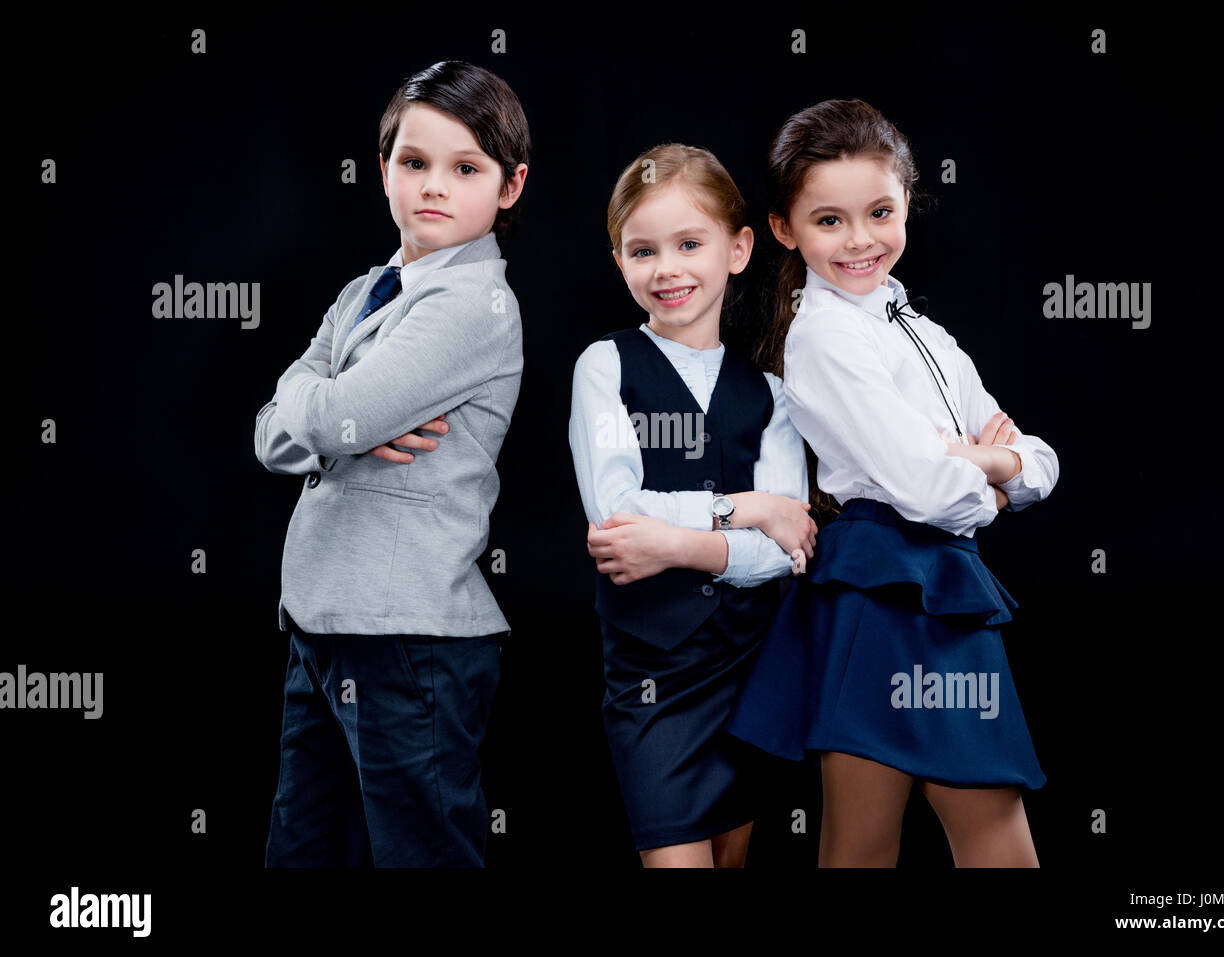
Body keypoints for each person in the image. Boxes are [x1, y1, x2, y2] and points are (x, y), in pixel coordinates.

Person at [725, 98, 1059, 867]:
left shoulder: (925, 330)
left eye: (880, 211)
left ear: (908, 199)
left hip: (947, 584)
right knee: (862, 844)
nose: (861, 239)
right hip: (878, 586)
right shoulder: (821, 336)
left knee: (984, 835)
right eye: (829, 220)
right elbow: (929, 490)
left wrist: (994, 462)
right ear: (784, 228)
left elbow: (1042, 461)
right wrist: (986, 476)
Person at [254, 60, 529, 867]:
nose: (434, 187)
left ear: (509, 187)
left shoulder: (475, 304)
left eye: (465, 168)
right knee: (301, 849)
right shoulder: (363, 291)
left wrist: (339, 409)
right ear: (383, 171)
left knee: (421, 855)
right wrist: (340, 414)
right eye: (414, 163)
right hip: (323, 617)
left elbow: (336, 412)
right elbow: (271, 433)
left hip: (409, 635)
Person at [568, 143, 817, 867]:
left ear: (738, 249)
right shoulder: (605, 364)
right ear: (619, 261)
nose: (666, 268)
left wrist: (678, 540)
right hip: (654, 675)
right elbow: (617, 517)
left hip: (749, 664)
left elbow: (786, 547)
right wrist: (750, 508)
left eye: (688, 243)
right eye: (642, 250)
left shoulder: (770, 393)